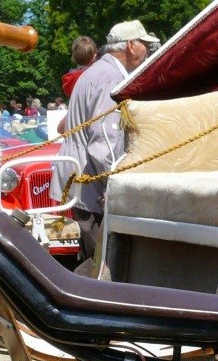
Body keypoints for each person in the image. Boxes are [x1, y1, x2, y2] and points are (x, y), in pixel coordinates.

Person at [50, 19, 158, 276]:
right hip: (93, 186)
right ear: (131, 45)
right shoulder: (110, 78)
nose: (147, 51)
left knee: (96, 258)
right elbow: (105, 142)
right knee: (104, 264)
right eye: (144, 44)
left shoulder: (97, 73)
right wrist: (115, 184)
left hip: (82, 182)